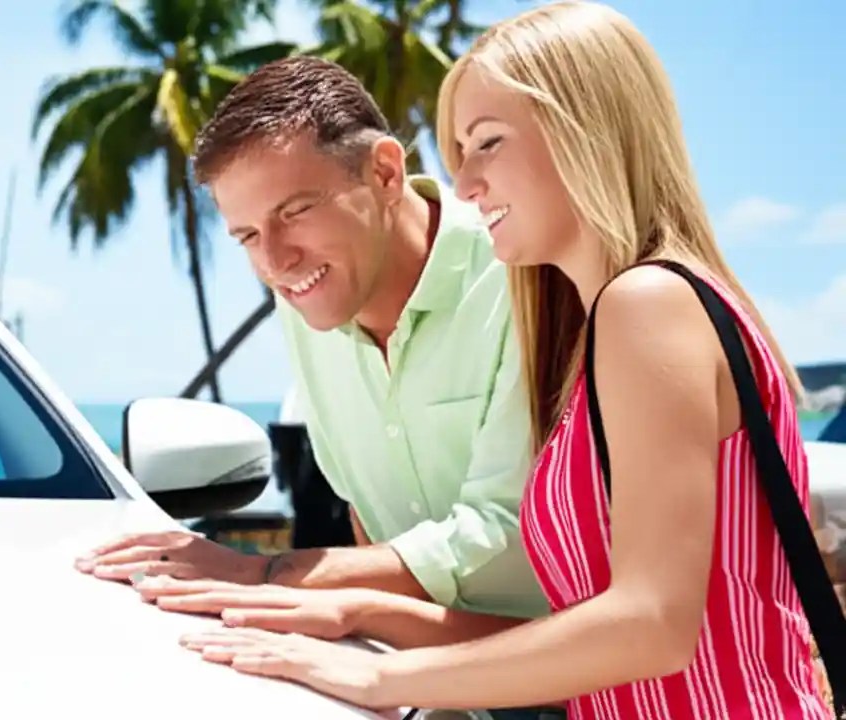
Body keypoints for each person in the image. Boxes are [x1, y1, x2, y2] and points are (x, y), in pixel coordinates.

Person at [173, 2, 835, 719]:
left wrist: (378, 679)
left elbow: (651, 624)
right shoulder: (607, 323)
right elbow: (587, 636)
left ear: (586, 135)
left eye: (488, 143)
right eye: (461, 151)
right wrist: (356, 614)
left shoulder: (646, 304)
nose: (463, 185)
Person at [75, 56, 550, 627]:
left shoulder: (518, 272)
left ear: (384, 174)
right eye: (248, 236)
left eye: (296, 211)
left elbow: (504, 530)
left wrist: (262, 572)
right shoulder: (308, 298)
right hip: (427, 679)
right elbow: (365, 515)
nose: (275, 261)